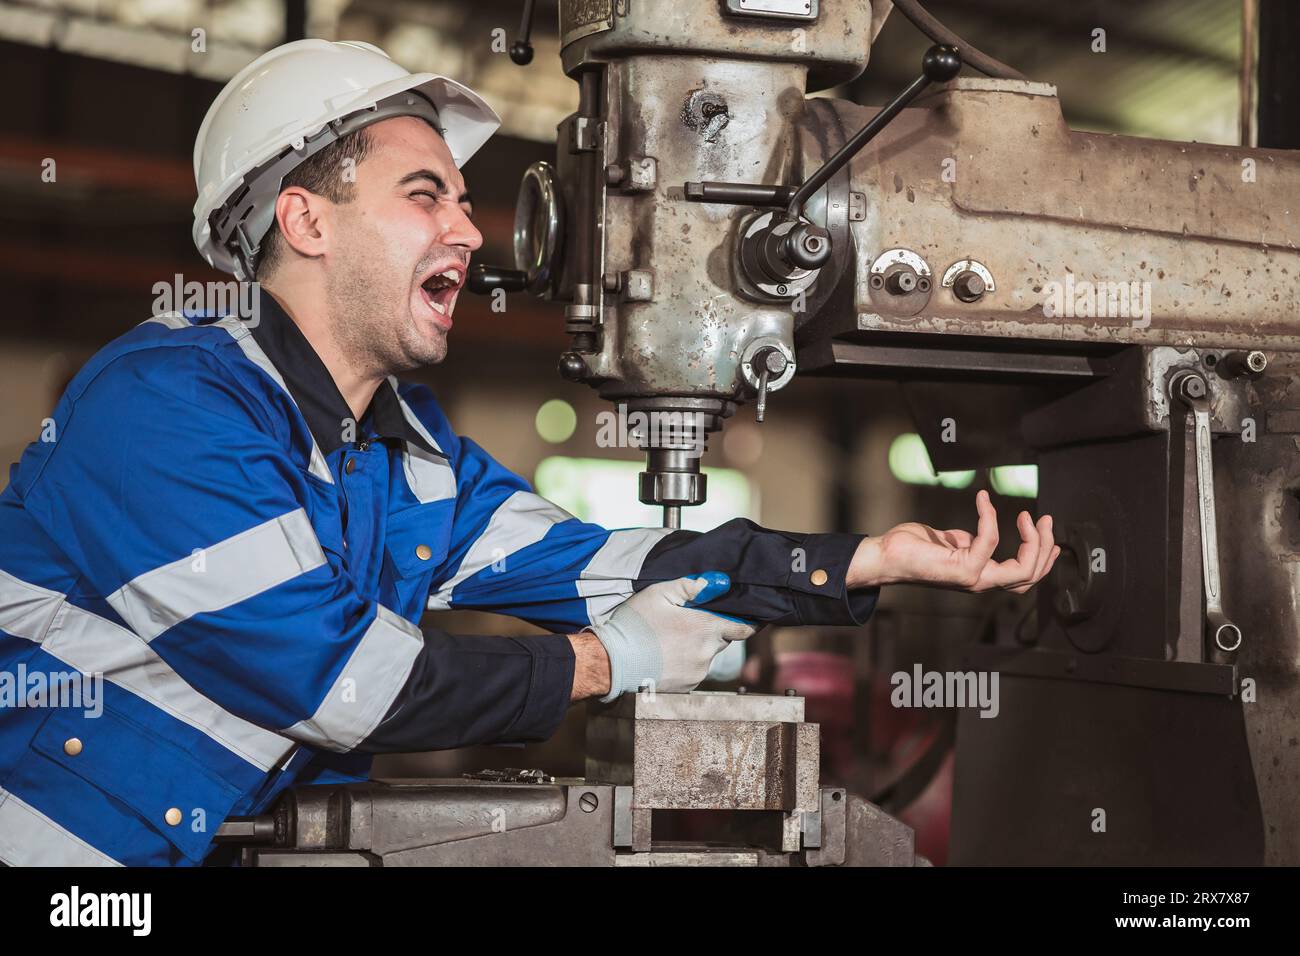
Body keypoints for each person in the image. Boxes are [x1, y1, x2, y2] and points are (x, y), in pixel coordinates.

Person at [0, 40, 1057, 866]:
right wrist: (612, 660)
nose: (470, 226)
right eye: (426, 195)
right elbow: (340, 683)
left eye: (463, 198)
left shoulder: (404, 447)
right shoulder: (163, 406)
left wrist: (861, 560)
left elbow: (605, 560)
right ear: (306, 220)